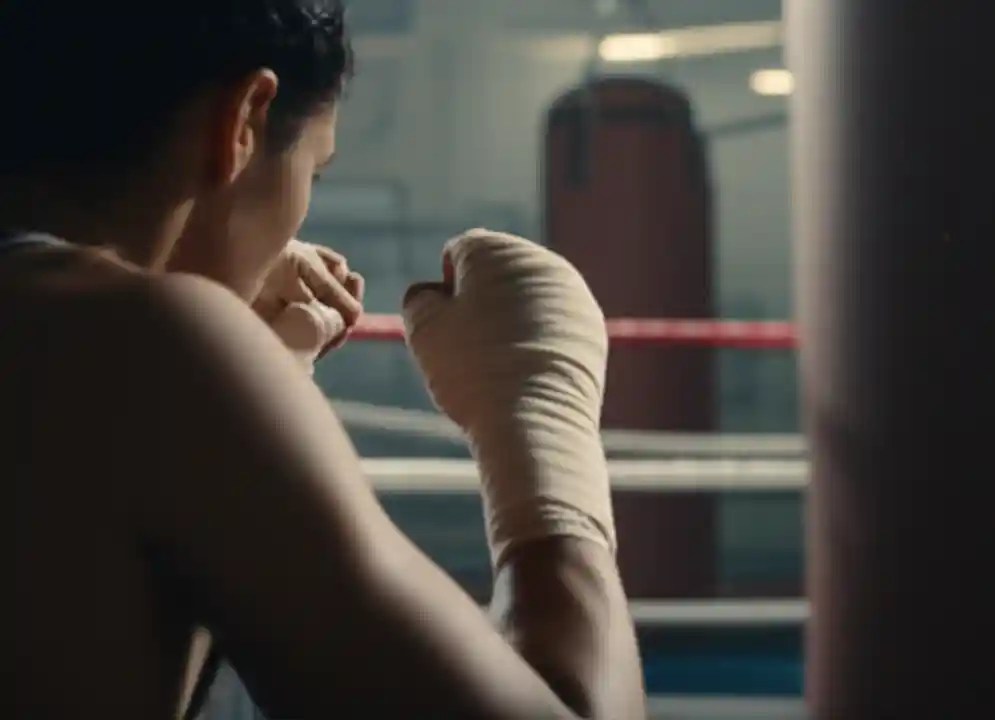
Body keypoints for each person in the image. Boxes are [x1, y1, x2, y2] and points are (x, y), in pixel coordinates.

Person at [0, 2, 646, 718]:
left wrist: (249, 407)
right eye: (317, 169)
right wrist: (540, 422)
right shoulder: (147, 346)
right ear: (243, 120)